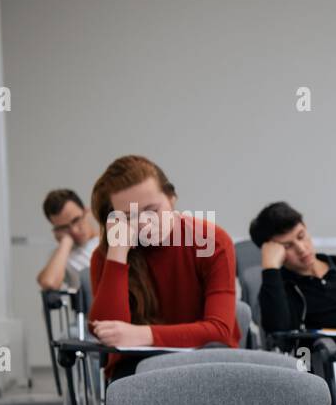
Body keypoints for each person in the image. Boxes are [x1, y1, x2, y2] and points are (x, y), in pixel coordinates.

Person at [89, 155, 238, 379]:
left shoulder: (211, 241)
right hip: (137, 368)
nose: (144, 223)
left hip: (205, 361)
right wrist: (118, 253)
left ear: (172, 198)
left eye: (152, 210)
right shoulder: (107, 256)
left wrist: (142, 335)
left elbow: (220, 331)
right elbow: (109, 335)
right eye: (130, 217)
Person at [250, 201, 336, 335]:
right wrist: (270, 268)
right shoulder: (280, 288)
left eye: (301, 236)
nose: (301, 248)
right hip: (314, 356)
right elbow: (278, 334)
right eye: (287, 246)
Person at [36, 189, 100, 291]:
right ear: (56, 230)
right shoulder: (63, 256)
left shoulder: (111, 238)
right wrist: (66, 242)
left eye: (76, 220)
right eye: (64, 227)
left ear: (87, 212)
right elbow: (49, 282)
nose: (74, 230)